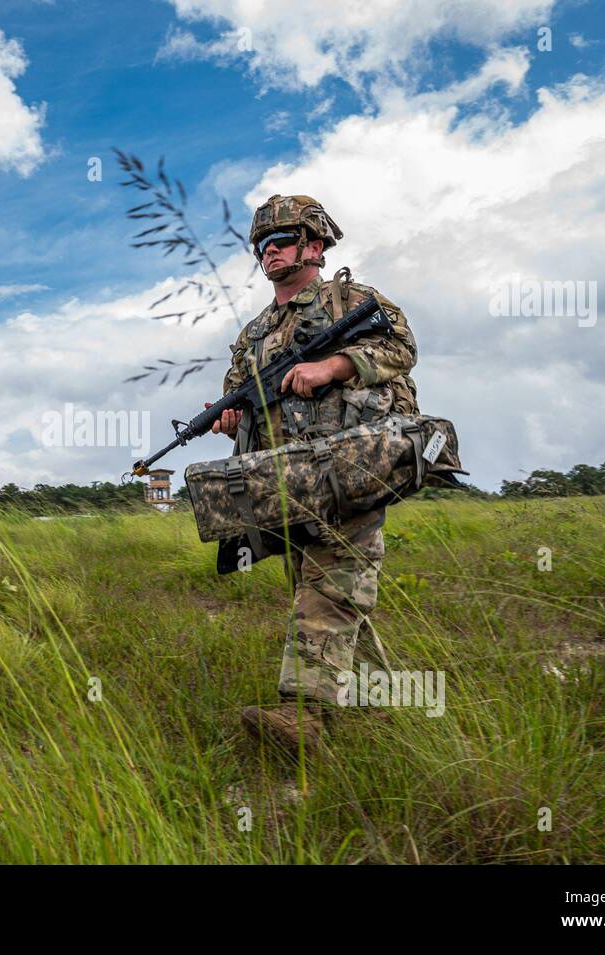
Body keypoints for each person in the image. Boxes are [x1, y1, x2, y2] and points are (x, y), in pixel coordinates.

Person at [211, 195, 419, 753]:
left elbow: (400, 346)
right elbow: (238, 394)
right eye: (262, 244)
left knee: (329, 585)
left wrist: (333, 364)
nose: (269, 251)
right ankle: (379, 706)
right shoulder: (255, 334)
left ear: (315, 245)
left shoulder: (351, 300)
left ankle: (302, 718)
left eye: (282, 240)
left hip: (348, 470)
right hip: (286, 484)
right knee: (326, 593)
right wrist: (230, 415)